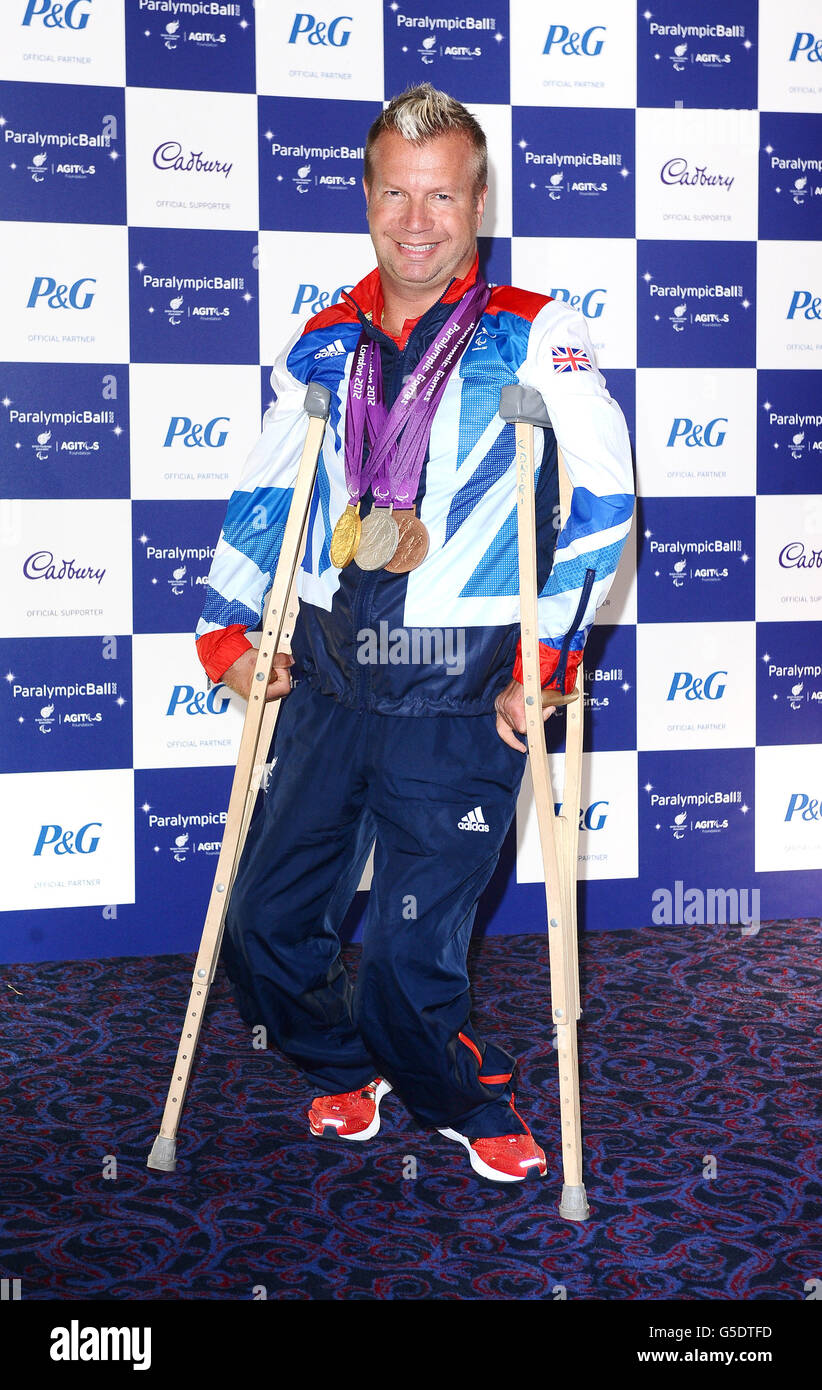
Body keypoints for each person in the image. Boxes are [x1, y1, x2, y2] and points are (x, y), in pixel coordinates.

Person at [195, 84, 633, 1182]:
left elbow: (606, 499)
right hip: (336, 669)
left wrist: (547, 664)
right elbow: (263, 492)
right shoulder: (325, 340)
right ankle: (358, 1055)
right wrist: (227, 633)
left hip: (459, 682)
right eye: (396, 191)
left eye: (442, 194)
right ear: (368, 196)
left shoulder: (535, 333)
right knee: (261, 926)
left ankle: (451, 1092)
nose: (418, 218)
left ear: (478, 201)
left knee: (405, 949)